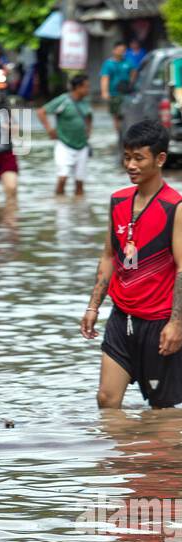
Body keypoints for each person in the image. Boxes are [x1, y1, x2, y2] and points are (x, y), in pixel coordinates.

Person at [80, 119, 182, 409]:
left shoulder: (175, 207)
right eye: (127, 157)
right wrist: (93, 307)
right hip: (121, 317)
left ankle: (158, 455)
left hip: (159, 323)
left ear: (160, 159)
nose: (131, 165)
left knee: (161, 410)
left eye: (139, 158)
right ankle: (118, 456)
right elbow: (109, 255)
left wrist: (177, 323)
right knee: (107, 399)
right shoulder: (118, 201)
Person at [38, 74, 92, 197]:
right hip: (64, 145)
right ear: (78, 87)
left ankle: (78, 209)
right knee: (62, 178)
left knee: (80, 182)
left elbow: (89, 116)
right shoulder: (63, 100)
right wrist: (49, 130)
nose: (88, 90)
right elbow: (41, 112)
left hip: (82, 145)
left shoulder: (85, 102)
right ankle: (60, 205)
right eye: (86, 87)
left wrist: (88, 131)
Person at [100, 41, 135, 134]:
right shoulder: (108, 64)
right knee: (117, 115)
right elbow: (105, 78)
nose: (121, 52)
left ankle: (126, 133)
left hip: (127, 93)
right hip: (114, 93)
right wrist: (105, 92)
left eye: (123, 50)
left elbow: (133, 76)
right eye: (119, 50)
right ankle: (119, 134)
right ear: (114, 50)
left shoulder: (128, 62)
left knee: (127, 115)